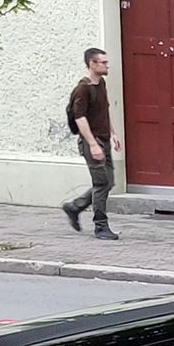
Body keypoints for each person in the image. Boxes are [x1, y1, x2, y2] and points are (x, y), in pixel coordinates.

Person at [63, 47, 121, 241]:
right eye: (103, 62)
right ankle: (101, 226)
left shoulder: (101, 83)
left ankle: (75, 206)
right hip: (92, 141)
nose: (107, 65)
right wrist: (92, 144)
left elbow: (105, 108)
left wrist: (113, 133)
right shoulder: (83, 88)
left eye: (106, 62)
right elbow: (80, 118)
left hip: (103, 139)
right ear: (92, 64)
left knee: (109, 182)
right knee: (101, 183)